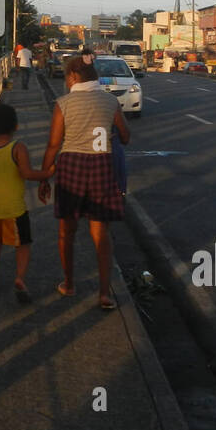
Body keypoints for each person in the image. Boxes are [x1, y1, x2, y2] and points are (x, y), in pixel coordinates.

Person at [42, 54, 130, 309]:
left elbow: (54, 144)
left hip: (71, 168)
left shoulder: (64, 104)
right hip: (102, 167)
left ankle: (69, 284)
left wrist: (45, 174)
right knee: (100, 234)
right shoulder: (110, 101)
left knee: (66, 232)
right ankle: (104, 294)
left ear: (72, 77)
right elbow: (125, 137)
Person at [0, 102, 53, 301]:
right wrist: (47, 174)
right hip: (15, 210)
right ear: (16, 126)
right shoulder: (18, 148)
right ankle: (19, 278)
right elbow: (26, 173)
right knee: (23, 244)